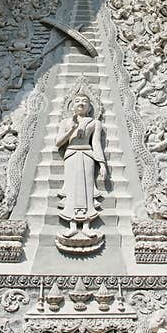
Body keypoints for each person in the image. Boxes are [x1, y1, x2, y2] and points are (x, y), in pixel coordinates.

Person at [56, 95, 106, 236]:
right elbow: (58, 142)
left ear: (90, 107)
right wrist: (71, 130)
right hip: (71, 155)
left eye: (85, 101)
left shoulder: (95, 123)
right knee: (71, 189)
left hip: (87, 156)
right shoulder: (66, 122)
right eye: (77, 101)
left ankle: (86, 225)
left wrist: (102, 164)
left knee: (87, 190)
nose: (81, 103)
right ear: (72, 106)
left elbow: (96, 144)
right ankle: (72, 225)